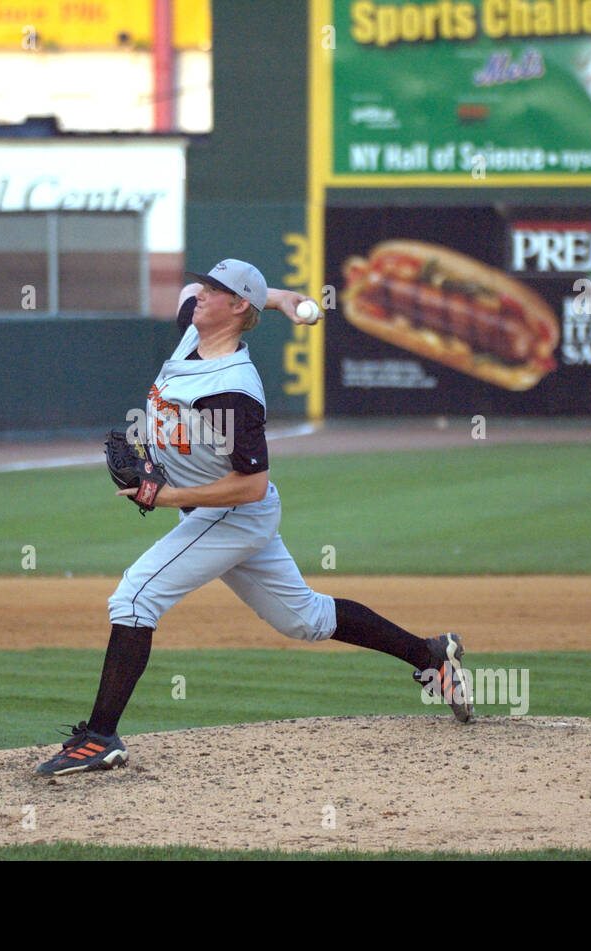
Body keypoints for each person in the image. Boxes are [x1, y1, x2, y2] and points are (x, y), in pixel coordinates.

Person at [35, 260, 473, 776]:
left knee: (134, 597)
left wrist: (163, 494)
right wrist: (283, 298)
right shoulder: (191, 335)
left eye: (217, 290)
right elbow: (196, 289)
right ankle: (431, 656)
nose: (201, 293)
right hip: (221, 514)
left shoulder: (234, 390)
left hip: (233, 513)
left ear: (237, 306)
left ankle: (100, 738)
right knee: (305, 619)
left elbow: (252, 484)